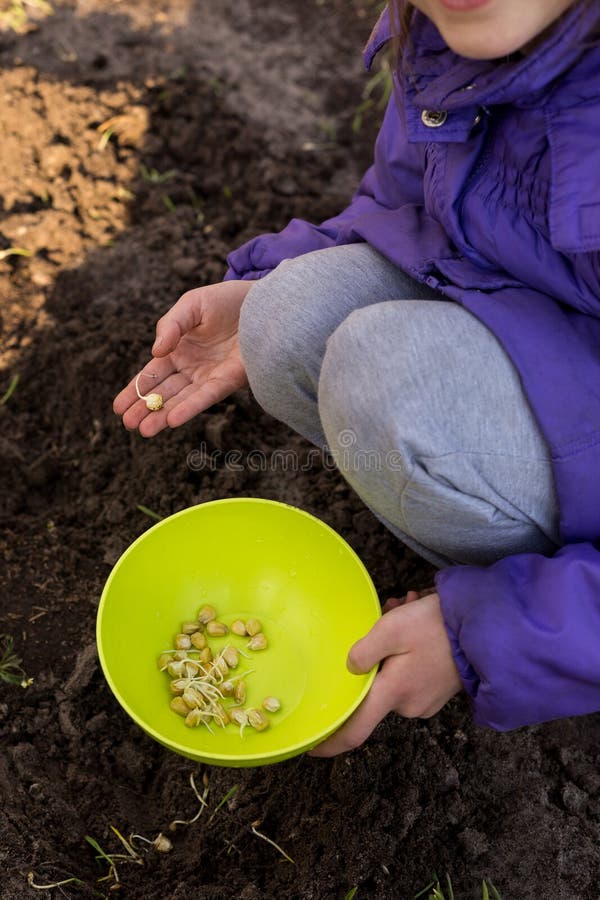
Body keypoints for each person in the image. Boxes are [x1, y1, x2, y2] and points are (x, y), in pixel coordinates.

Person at [114, 0, 600, 756]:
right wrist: (269, 286)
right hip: (543, 342)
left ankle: (538, 588)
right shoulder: (450, 30)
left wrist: (484, 634)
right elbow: (409, 206)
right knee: (284, 315)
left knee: (386, 375)